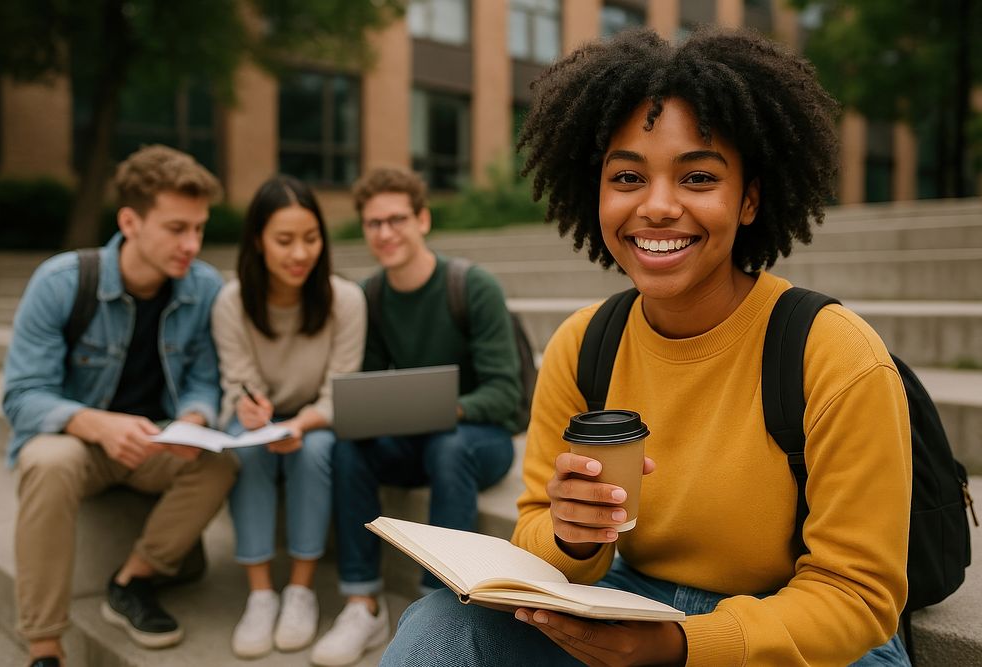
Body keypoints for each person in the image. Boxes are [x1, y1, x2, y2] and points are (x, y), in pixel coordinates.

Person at [381, 27, 913, 667]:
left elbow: (856, 596)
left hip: (800, 625)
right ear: (597, 194)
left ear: (748, 200)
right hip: (633, 600)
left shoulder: (834, 354)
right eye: (628, 175)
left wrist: (684, 645)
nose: (657, 206)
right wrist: (569, 536)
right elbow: (532, 531)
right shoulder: (584, 345)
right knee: (437, 630)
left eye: (697, 177)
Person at [2, 145, 239, 667]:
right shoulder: (62, 282)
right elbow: (21, 395)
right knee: (47, 461)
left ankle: (133, 580)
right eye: (177, 228)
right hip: (77, 442)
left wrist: (194, 421)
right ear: (129, 221)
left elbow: (205, 381)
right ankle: (44, 647)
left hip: (156, 444)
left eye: (199, 228)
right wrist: (95, 424)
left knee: (220, 461)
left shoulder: (202, 288)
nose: (192, 244)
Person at [310, 167, 523, 666]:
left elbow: (505, 393)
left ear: (423, 219)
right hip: (410, 439)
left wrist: (448, 408)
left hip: (477, 440)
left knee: (449, 445)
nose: (385, 234)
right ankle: (361, 601)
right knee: (347, 444)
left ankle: (436, 602)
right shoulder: (373, 297)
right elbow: (369, 385)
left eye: (396, 220)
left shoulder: (472, 286)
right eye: (373, 224)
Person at [210, 175, 366, 659]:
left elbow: (339, 393)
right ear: (257, 241)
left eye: (311, 238)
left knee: (316, 448)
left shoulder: (345, 300)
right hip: (256, 421)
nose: (300, 253)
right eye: (284, 241)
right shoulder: (232, 302)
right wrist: (249, 408)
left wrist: (299, 424)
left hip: (314, 420)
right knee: (249, 448)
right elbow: (236, 382)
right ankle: (260, 594)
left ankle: (299, 591)